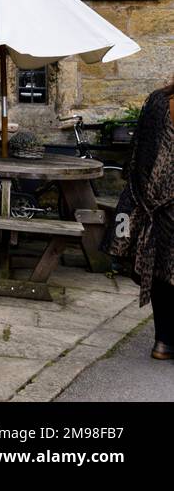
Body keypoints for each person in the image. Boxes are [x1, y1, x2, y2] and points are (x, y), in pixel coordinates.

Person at [105, 81, 174, 359]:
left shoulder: (157, 100)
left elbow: (136, 157)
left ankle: (163, 342)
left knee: (159, 268)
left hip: (149, 202)